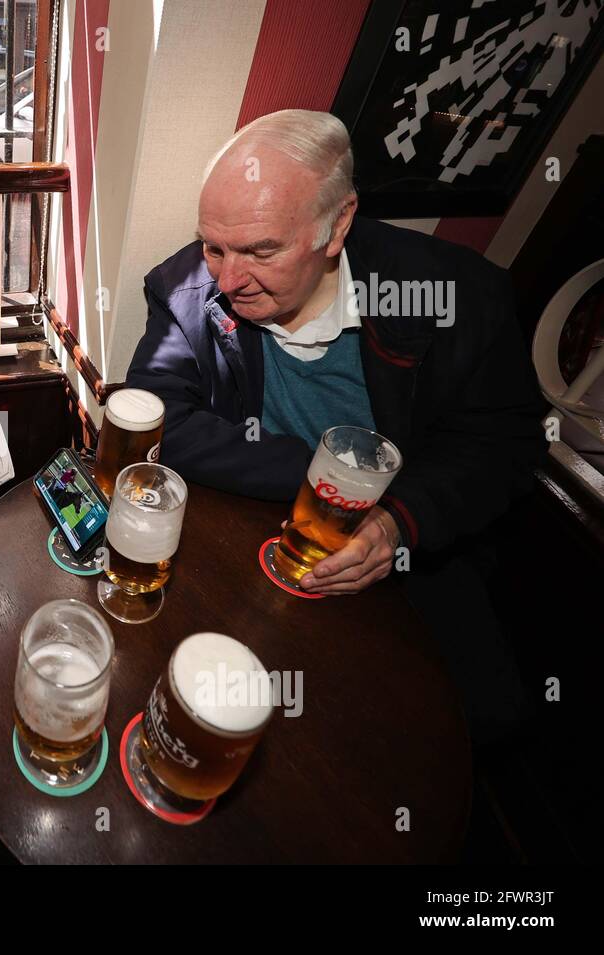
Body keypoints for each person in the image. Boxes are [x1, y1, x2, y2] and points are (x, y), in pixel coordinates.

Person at [125, 109, 546, 743]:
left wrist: (397, 519)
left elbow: (503, 442)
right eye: (215, 245)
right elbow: (161, 420)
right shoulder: (187, 287)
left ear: (337, 224)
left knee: (451, 729)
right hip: (255, 550)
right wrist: (327, 483)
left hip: (408, 567)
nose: (227, 278)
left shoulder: (455, 295)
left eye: (261, 249)